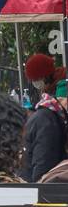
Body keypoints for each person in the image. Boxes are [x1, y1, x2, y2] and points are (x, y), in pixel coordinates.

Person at [21, 53, 67, 182]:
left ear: (46, 76)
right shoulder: (47, 115)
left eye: (36, 79)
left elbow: (42, 167)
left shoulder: (61, 87)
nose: (35, 83)